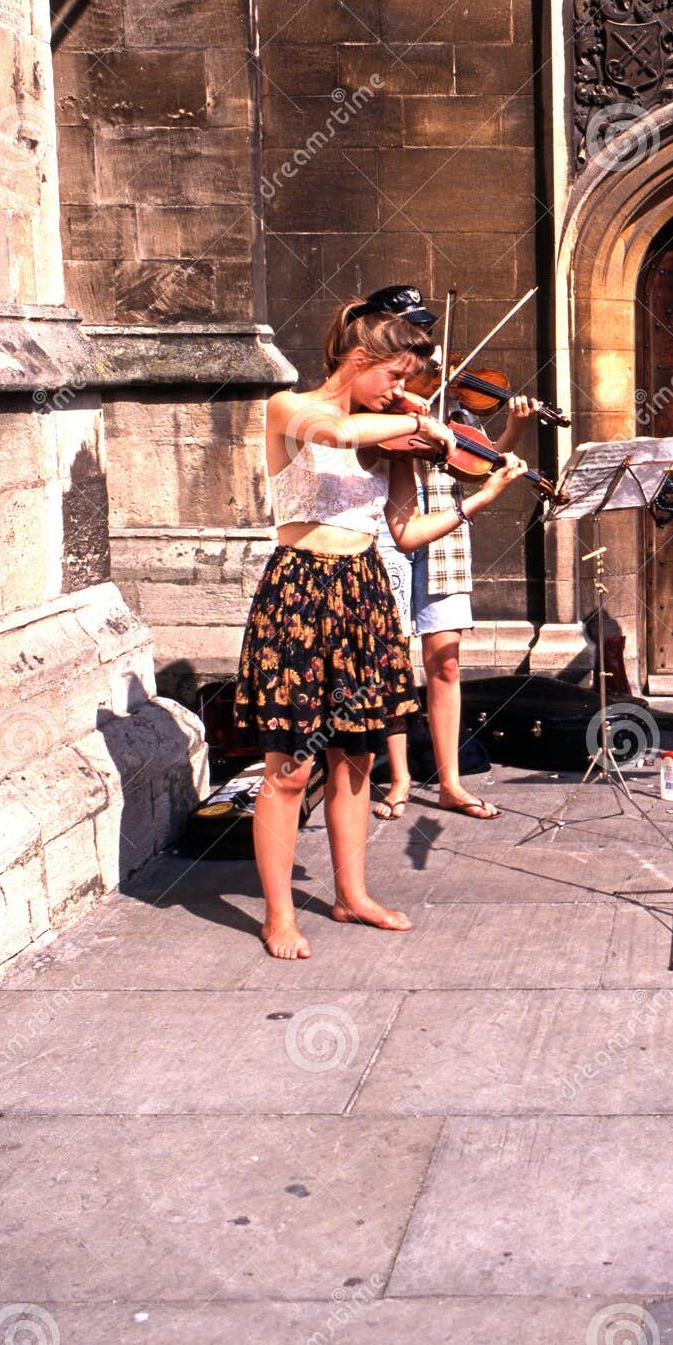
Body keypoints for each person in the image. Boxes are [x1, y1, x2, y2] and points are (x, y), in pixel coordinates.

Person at [233, 298, 528, 960]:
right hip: (300, 590)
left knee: (358, 758)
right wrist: (426, 430)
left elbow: (405, 532)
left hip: (364, 590)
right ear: (358, 360)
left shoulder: (392, 439)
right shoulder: (292, 409)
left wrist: (475, 499)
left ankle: (351, 893)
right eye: (394, 376)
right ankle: (279, 914)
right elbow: (333, 434)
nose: (403, 391)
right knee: (287, 767)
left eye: (406, 382)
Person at [365, 290, 536, 822]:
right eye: (408, 333)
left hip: (442, 532)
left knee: (445, 662)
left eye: (423, 334)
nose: (425, 354)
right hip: (382, 530)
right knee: (392, 662)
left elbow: (476, 456)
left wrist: (516, 428)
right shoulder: (372, 400)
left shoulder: (452, 401)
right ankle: (396, 779)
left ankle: (450, 782)